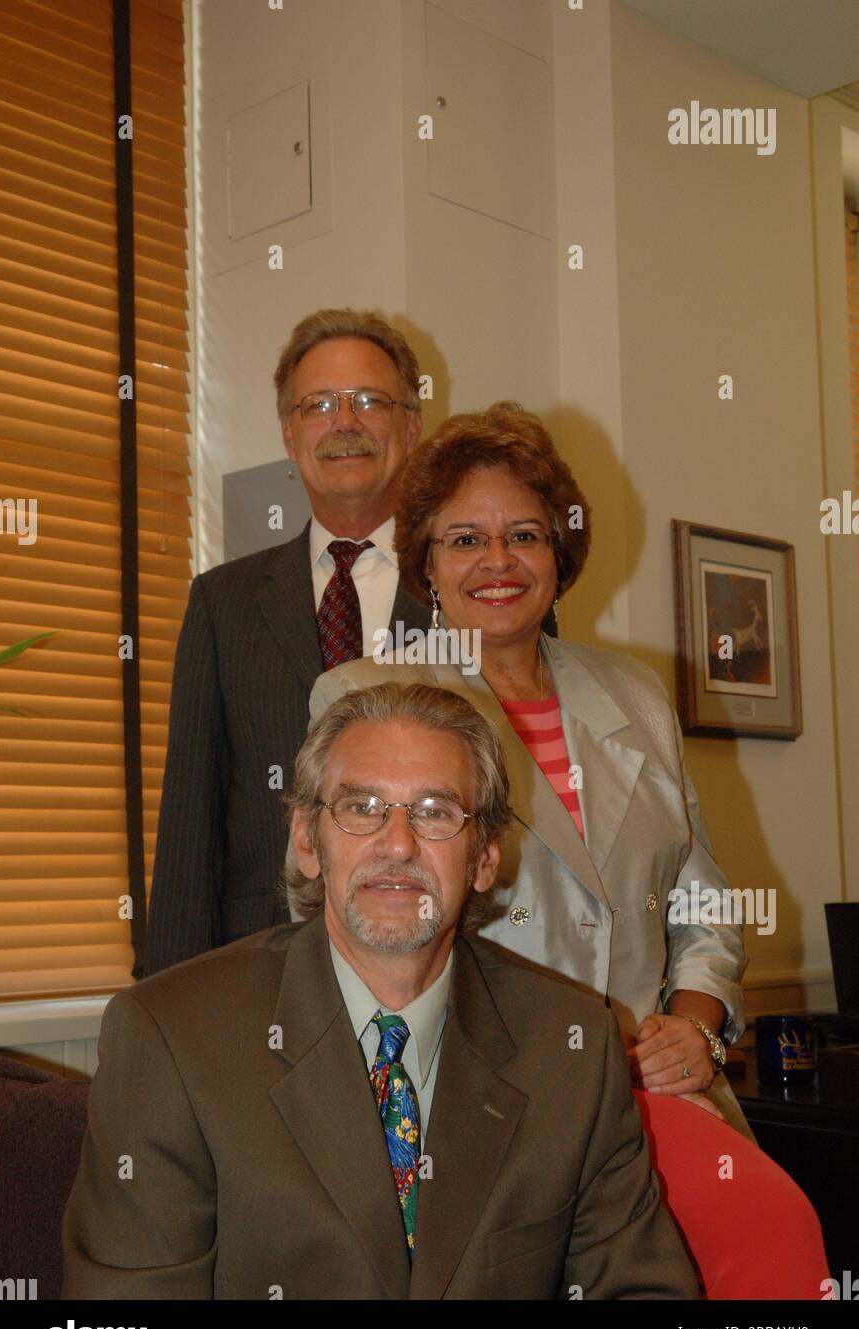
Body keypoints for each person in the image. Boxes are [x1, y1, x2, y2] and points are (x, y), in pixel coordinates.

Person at [61, 683, 699, 1300]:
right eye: (361, 808)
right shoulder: (171, 1037)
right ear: (307, 843)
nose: (397, 844)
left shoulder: (574, 1044)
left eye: (436, 812)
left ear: (484, 859)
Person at [303, 402, 751, 1137]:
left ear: (557, 556)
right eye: (466, 539)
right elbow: (342, 928)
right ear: (427, 564)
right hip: (473, 1105)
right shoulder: (362, 697)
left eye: (523, 536)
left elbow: (702, 906)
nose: (497, 562)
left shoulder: (635, 694)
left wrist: (694, 1030)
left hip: (659, 1100)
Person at [142, 309, 430, 978]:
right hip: (264, 965)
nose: (345, 422)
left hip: (435, 951)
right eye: (319, 405)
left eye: (368, 402)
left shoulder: (466, 583)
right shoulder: (224, 604)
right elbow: (191, 816)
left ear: (410, 426)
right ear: (289, 432)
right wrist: (166, 997)